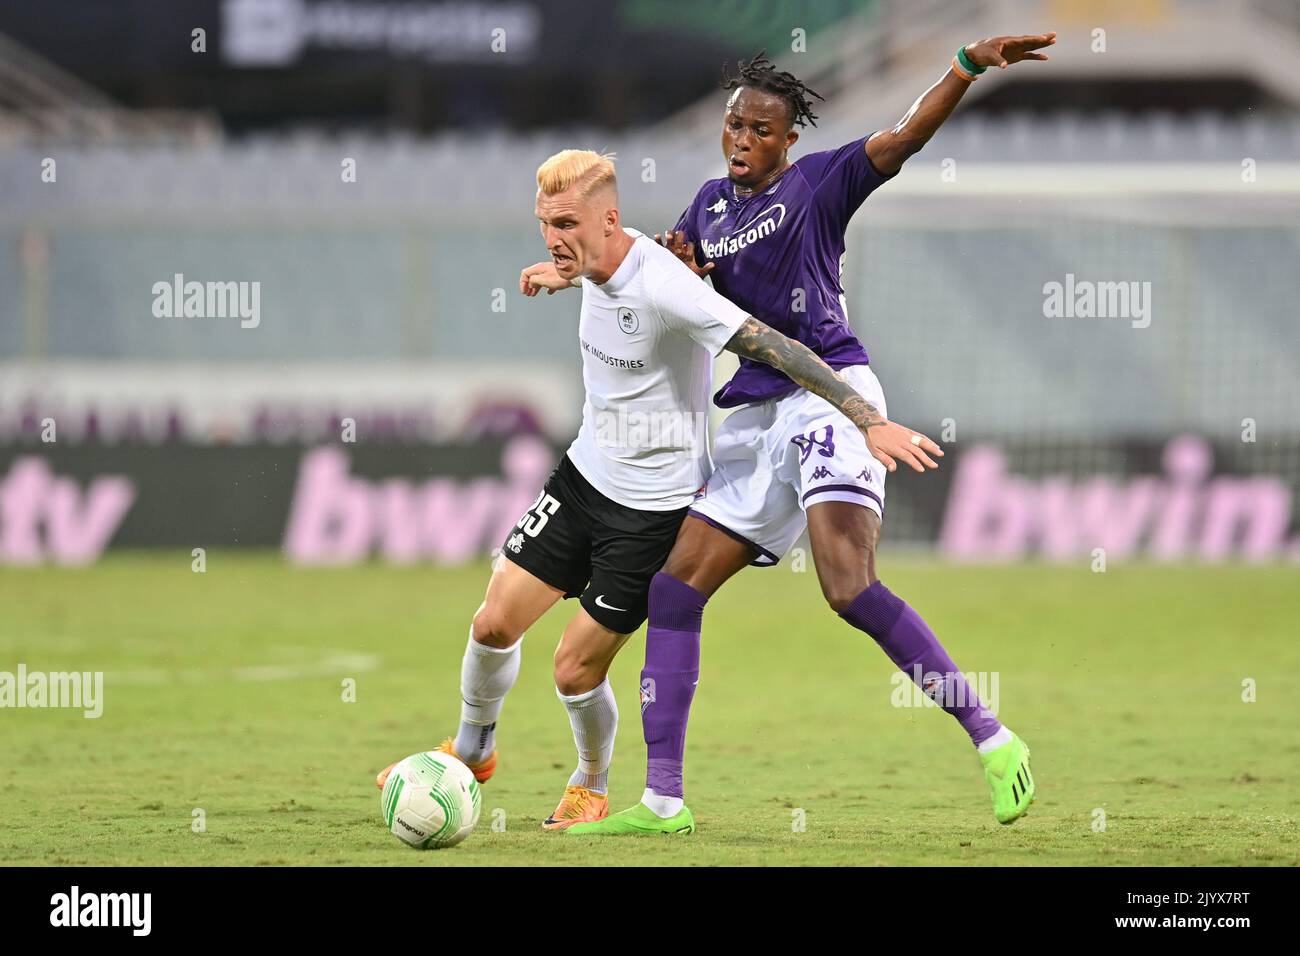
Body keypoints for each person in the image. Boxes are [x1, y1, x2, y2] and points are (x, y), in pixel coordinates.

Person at [563, 36, 1055, 835]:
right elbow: (666, 279)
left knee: (846, 587)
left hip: (829, 397)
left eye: (760, 130)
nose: (742, 142)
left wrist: (964, 65)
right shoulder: (706, 208)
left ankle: (992, 739)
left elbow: (904, 137)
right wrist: (588, 262)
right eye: (734, 126)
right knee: (673, 587)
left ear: (788, 139)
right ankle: (662, 802)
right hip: (755, 414)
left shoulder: (822, 183)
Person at [377, 148, 941, 830]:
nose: (553, 237)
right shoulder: (591, 260)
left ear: (608, 219)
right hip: (584, 479)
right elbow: (593, 273)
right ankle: (472, 750)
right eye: (543, 223)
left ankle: (590, 783)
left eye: (565, 223)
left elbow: (773, 345)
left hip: (654, 513)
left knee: (572, 670)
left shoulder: (670, 285)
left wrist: (866, 418)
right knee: (492, 623)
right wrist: (561, 273)